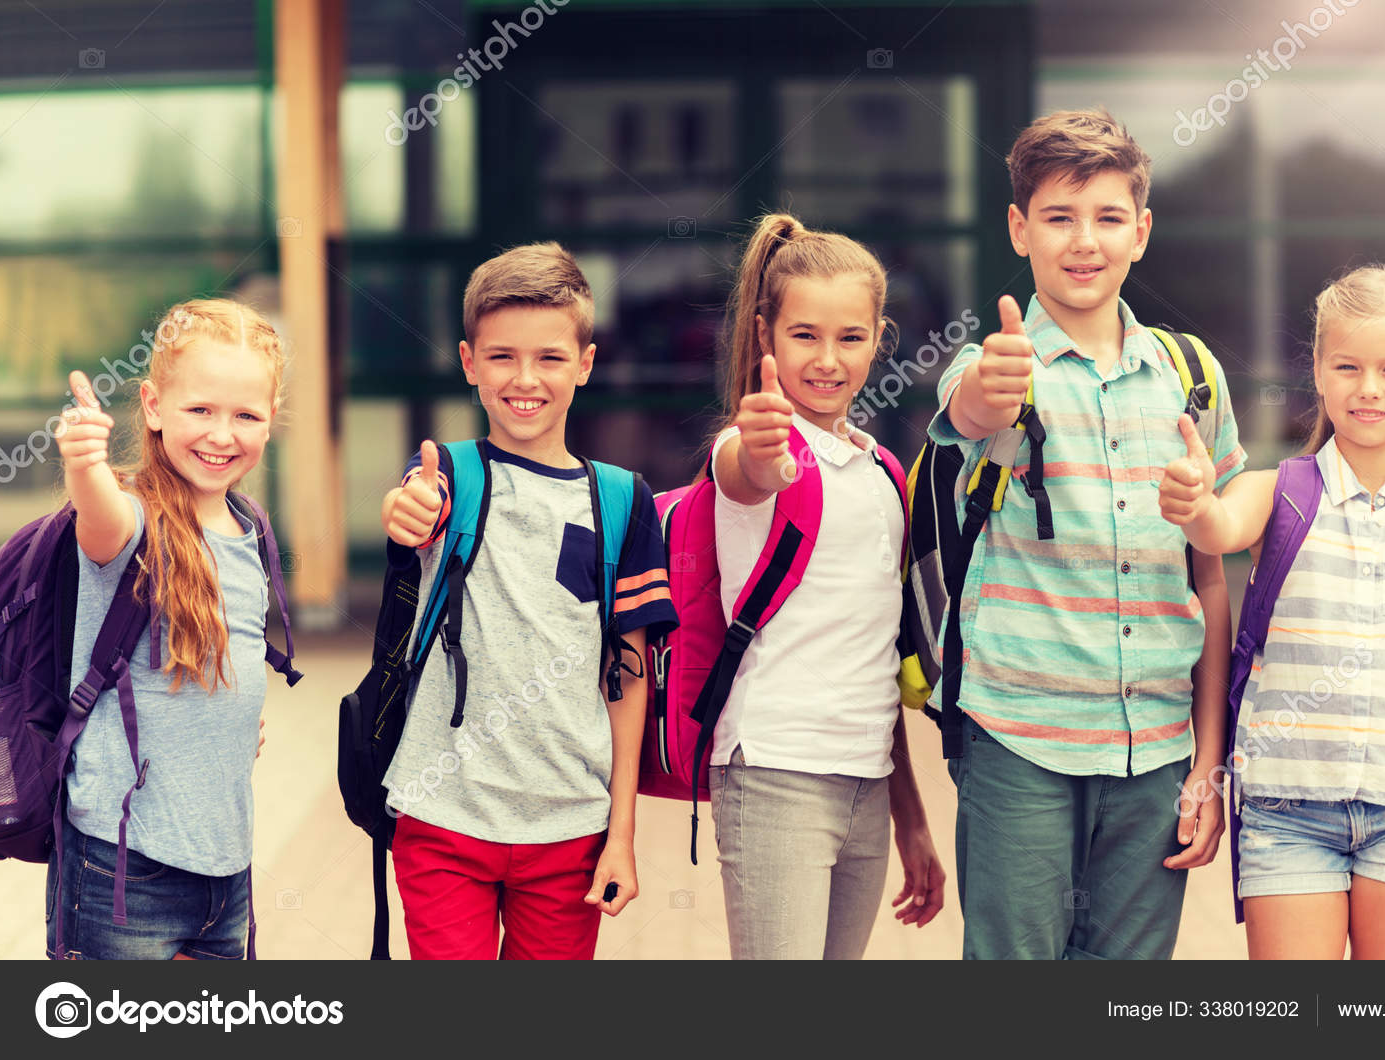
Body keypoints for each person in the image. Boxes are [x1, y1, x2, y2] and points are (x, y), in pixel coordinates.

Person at [927, 109, 1245, 959]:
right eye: (1059, 217)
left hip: (1158, 754)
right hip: (1018, 742)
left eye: (1108, 217)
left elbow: (1210, 579)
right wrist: (991, 391)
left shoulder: (1191, 376)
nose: (1084, 242)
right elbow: (969, 409)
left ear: (1141, 231)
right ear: (1018, 228)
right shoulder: (996, 366)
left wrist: (1209, 762)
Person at [1159, 264, 1385, 959]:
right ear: (1318, 372)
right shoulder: (1278, 492)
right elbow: (1217, 529)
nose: (1368, 388)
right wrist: (1195, 503)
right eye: (1347, 366)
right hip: (1286, 817)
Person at [378, 243, 677, 960]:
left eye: (549, 357)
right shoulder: (448, 475)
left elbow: (628, 678)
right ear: (468, 361)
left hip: (571, 830)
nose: (525, 379)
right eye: (502, 356)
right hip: (443, 817)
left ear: (586, 364)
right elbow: (413, 505)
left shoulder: (623, 500)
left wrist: (622, 834)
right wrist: (407, 510)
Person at [707, 212, 946, 959]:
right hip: (774, 773)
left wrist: (911, 819)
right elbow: (750, 473)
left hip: (867, 783)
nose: (827, 360)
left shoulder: (883, 471)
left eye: (850, 337)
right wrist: (759, 446)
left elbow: (878, 660)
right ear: (765, 335)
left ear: (879, 340)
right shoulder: (752, 446)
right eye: (804, 335)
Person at [47, 298, 285, 959]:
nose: (222, 434)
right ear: (153, 407)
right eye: (200, 410)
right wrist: (84, 465)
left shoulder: (249, 525)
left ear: (271, 419)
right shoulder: (130, 518)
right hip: (122, 868)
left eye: (246, 415)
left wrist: (228, 717)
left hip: (225, 867)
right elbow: (99, 517)